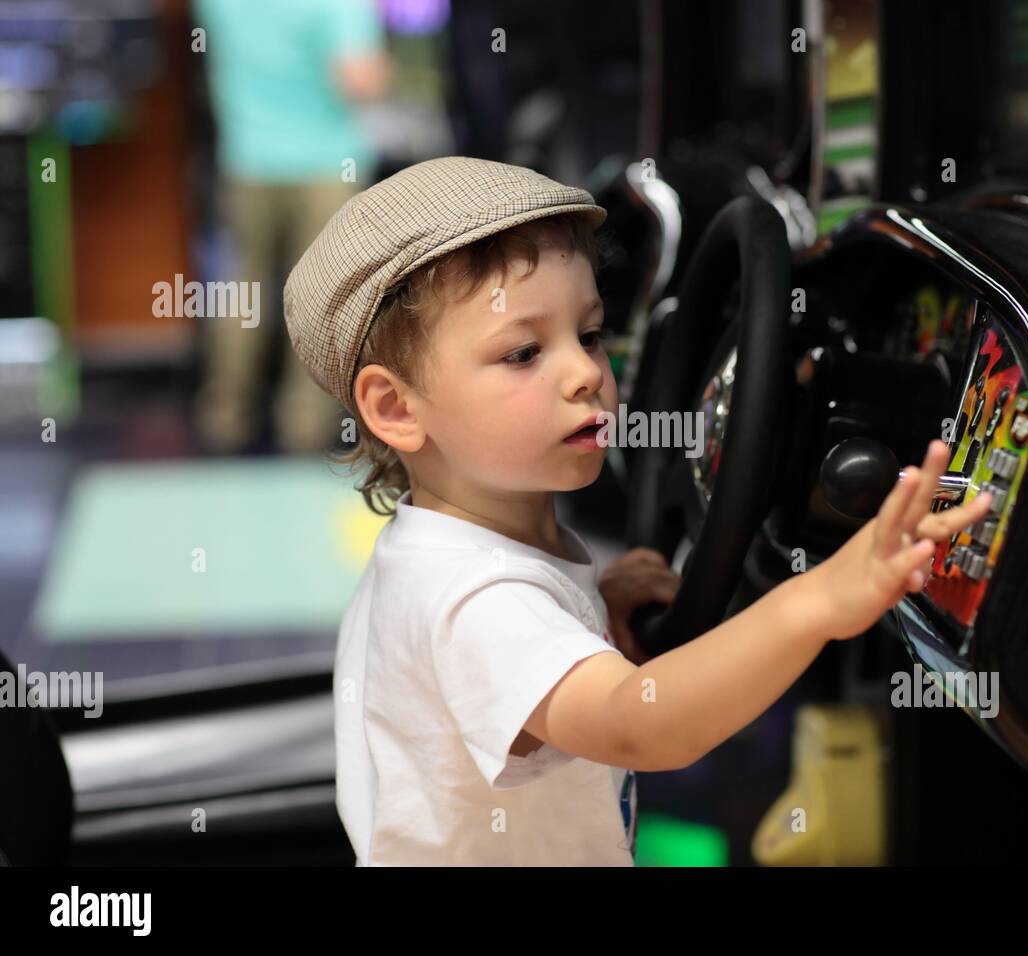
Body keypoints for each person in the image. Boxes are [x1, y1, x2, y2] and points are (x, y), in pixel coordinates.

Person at [282, 157, 992, 865]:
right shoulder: (475, 601)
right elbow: (639, 728)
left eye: (588, 334)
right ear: (396, 408)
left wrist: (590, 612)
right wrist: (824, 598)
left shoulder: (449, 556)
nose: (587, 372)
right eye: (525, 351)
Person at [193, 0, 390, 454]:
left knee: (241, 292)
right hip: (326, 166)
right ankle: (304, 426)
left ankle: (225, 416)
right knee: (321, 298)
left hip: (246, 162)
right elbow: (360, 81)